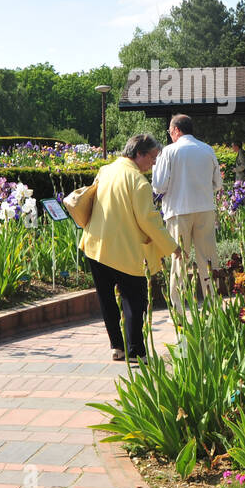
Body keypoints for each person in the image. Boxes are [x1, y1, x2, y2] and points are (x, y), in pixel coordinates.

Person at [79, 133, 181, 362]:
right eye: (152, 157)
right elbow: (149, 220)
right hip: (124, 250)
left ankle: (118, 347)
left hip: (95, 246)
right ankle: (135, 351)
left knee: (107, 300)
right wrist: (172, 247)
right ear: (139, 154)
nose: (154, 163)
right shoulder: (138, 182)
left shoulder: (106, 170)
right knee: (134, 299)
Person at [152, 114, 223, 312]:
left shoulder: (169, 151)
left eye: (170, 132)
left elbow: (158, 186)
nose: (170, 135)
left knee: (178, 260)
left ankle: (178, 309)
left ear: (176, 130)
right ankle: (213, 306)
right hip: (205, 209)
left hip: (178, 210)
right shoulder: (207, 149)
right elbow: (217, 184)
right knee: (208, 259)